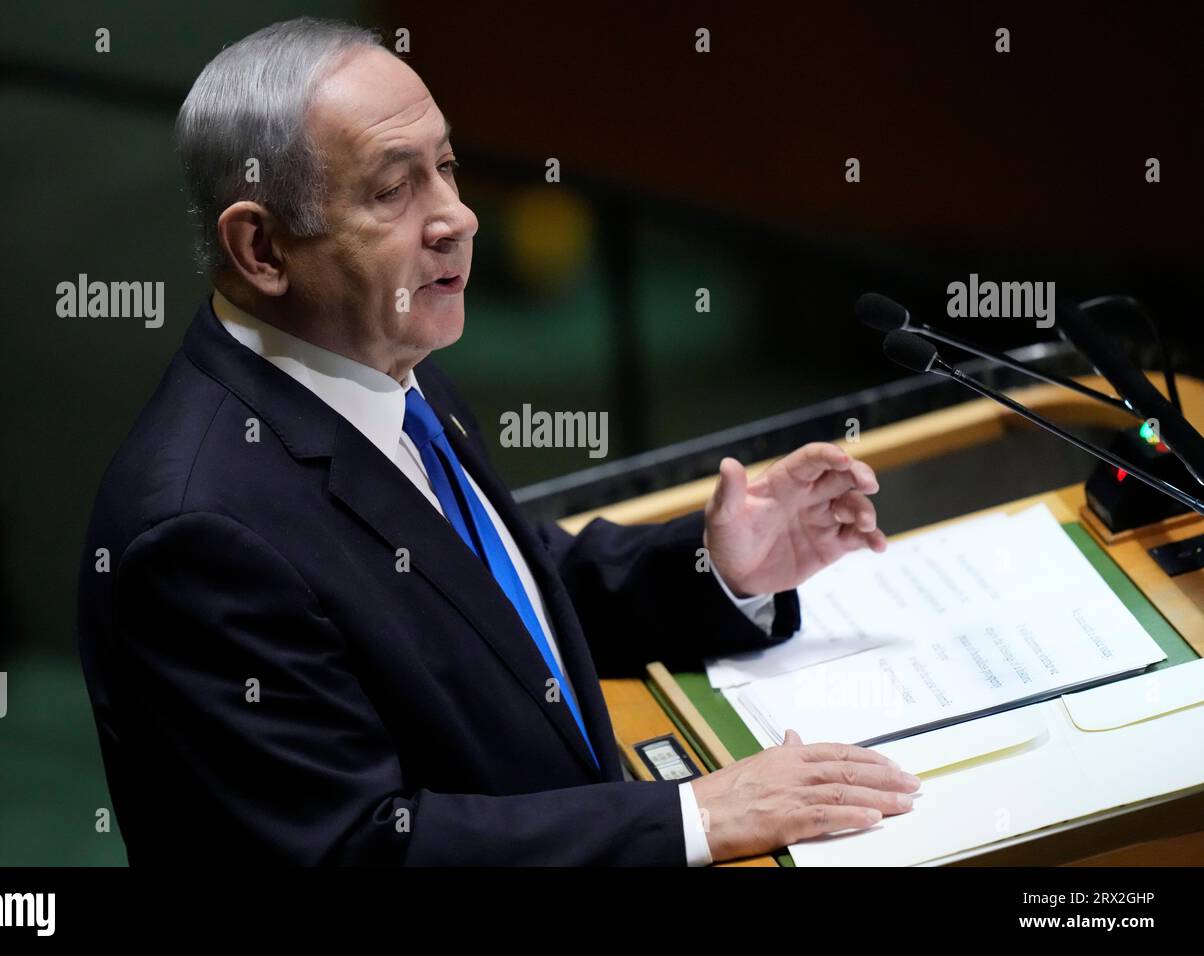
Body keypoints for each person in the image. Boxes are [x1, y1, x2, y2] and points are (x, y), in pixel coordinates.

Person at [77, 17, 917, 866]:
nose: (459, 218)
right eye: (392, 191)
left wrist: (717, 571)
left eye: (445, 167)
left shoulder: (373, 357)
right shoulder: (196, 539)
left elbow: (484, 604)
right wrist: (691, 816)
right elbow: (351, 851)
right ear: (261, 248)